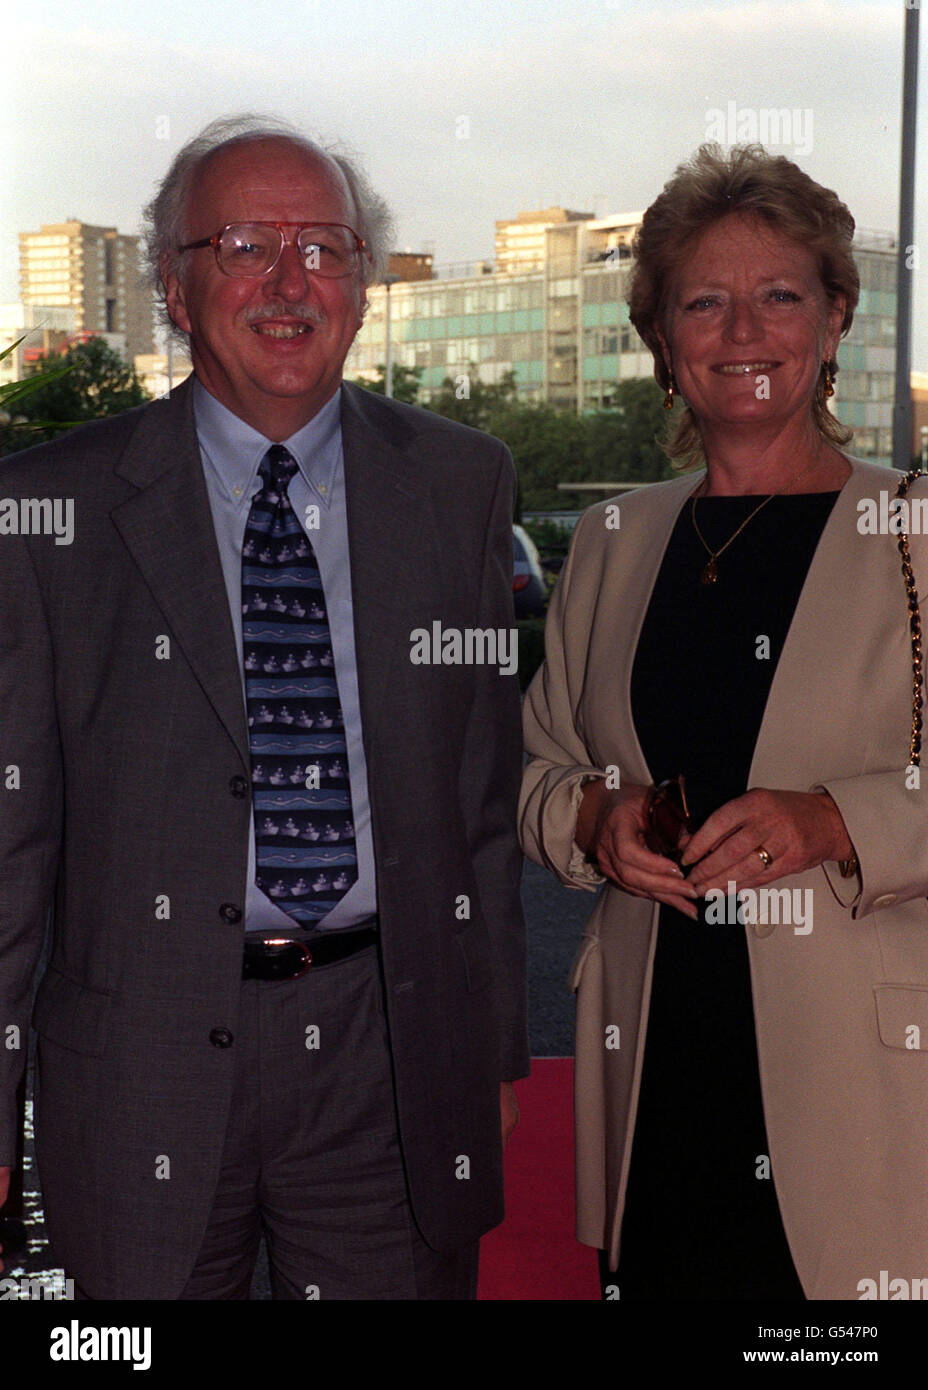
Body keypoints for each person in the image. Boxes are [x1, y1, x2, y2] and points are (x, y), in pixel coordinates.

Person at [0, 115, 528, 1300]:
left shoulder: (460, 482)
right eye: (245, 244)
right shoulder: (46, 511)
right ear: (176, 290)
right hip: (139, 1059)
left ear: (361, 283)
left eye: (327, 247)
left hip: (385, 1056)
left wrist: (483, 1044)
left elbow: (478, 795)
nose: (292, 282)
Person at [519, 143, 928, 1301]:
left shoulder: (914, 535)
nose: (742, 331)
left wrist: (833, 820)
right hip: (656, 1077)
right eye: (705, 300)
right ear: (662, 336)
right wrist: (595, 817)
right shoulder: (609, 545)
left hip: (861, 1093)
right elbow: (529, 764)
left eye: (780, 295)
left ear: (836, 317)